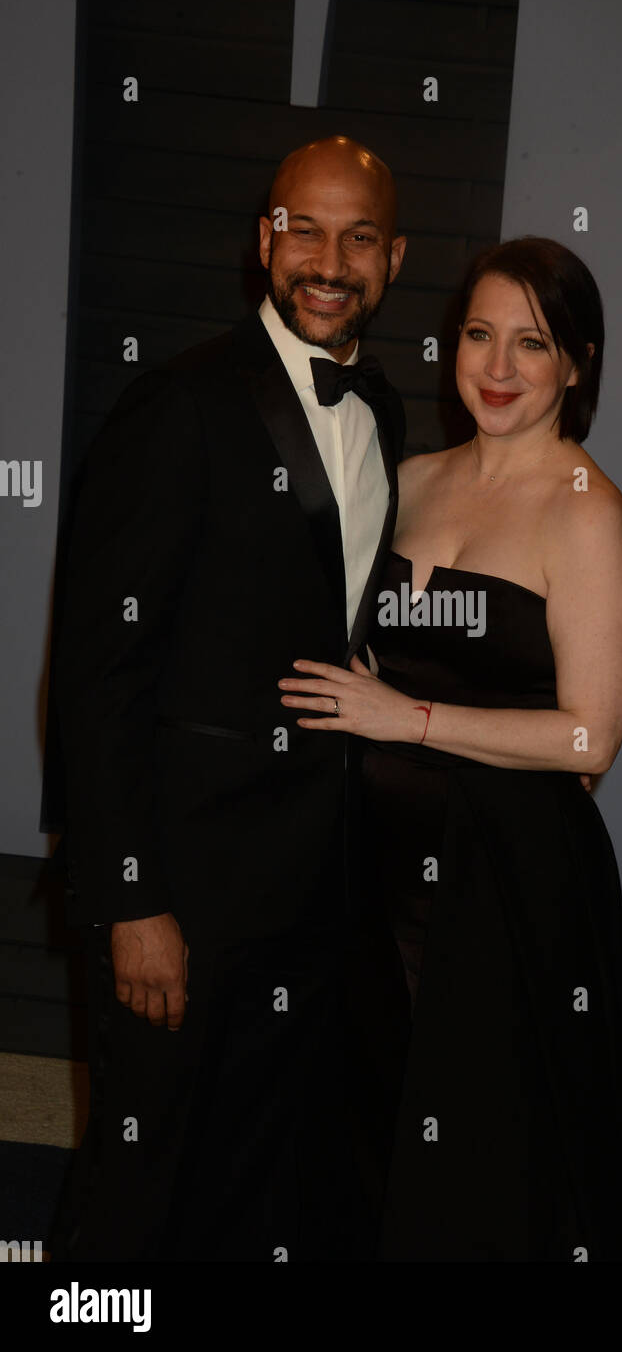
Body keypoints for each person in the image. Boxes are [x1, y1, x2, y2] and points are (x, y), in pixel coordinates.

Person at [49, 135, 407, 1262]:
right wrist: (130, 899)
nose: (328, 259)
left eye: (358, 237)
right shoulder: (179, 403)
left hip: (311, 885)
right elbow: (99, 671)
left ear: (393, 259)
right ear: (265, 241)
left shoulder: (385, 410)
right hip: (183, 884)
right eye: (304, 227)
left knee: (253, 1176)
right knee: (138, 1183)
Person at [277, 236, 622, 1261]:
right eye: (478, 335)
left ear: (576, 363)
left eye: (530, 343)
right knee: (368, 1134)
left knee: (487, 1160)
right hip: (372, 867)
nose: (496, 366)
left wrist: (412, 721)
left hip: (503, 887)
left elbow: (593, 737)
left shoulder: (588, 512)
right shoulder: (407, 476)